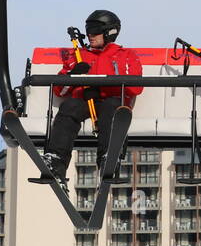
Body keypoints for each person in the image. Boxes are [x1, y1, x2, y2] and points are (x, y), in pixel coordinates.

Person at [43, 10, 144, 185]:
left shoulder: (125, 55)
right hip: (84, 100)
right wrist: (73, 75)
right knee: (69, 107)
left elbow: (136, 87)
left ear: (109, 32)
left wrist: (103, 84)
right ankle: (56, 160)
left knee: (112, 109)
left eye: (95, 30)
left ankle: (108, 158)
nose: (90, 35)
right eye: (88, 30)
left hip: (111, 101)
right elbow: (60, 91)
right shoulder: (79, 56)